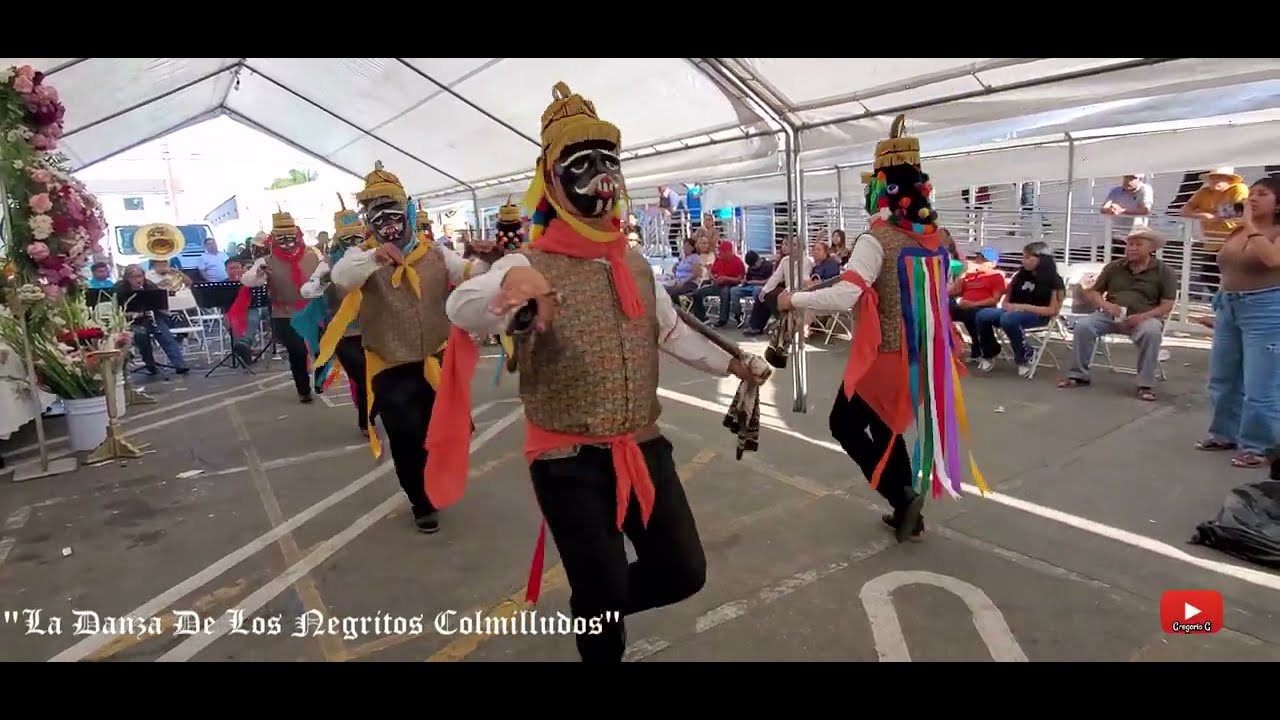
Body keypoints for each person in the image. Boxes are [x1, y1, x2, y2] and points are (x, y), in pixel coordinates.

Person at [440, 82, 767, 662]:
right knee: (604, 594)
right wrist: (512, 291)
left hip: (643, 445)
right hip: (566, 460)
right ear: (554, 180)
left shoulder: (636, 264)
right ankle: (599, 613)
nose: (601, 177)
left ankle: (594, 608)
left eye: (608, 162)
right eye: (583, 164)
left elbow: (671, 332)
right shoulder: (527, 261)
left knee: (683, 571)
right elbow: (461, 307)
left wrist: (734, 363)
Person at [779, 114, 987, 542]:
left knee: (845, 423)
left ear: (881, 188)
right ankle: (904, 502)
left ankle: (901, 495)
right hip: (925, 354)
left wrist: (793, 299)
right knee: (886, 427)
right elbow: (933, 284)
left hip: (886, 356)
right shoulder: (937, 237)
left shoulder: (876, 240)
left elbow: (846, 296)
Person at [328, 162, 482, 534]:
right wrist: (374, 257)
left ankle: (434, 482)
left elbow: (468, 273)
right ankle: (420, 500)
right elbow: (341, 278)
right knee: (407, 436)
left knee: (438, 433)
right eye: (377, 216)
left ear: (409, 213)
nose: (388, 224)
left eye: (394, 214)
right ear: (369, 221)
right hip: (390, 366)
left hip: (436, 361)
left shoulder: (436, 254)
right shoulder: (359, 257)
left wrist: (490, 263)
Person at [1197, 175, 1280, 469]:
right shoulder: (1239, 230)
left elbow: (1272, 260)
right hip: (1230, 307)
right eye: (1251, 193)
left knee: (1261, 384)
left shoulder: (1265, 230)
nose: (1252, 198)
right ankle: (1223, 433)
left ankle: (1258, 446)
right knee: (1223, 377)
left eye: (1261, 194)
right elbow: (1226, 266)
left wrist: (1249, 226)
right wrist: (1219, 307)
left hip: (1266, 309)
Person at [1058, 229, 1177, 401]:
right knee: (1084, 326)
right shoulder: (1114, 267)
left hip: (1144, 317)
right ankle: (1079, 375)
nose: (1132, 248)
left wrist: (1142, 317)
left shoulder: (1164, 271)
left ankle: (1145, 385)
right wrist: (1106, 305)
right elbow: (1094, 293)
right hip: (1111, 315)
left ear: (1151, 248)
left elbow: (1167, 304)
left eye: (1138, 245)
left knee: (1151, 332)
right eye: (1129, 244)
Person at [297, 195, 372, 436]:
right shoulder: (328, 264)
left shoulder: (374, 258)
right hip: (343, 333)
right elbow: (307, 291)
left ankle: (372, 416)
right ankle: (366, 423)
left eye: (357, 239)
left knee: (377, 379)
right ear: (338, 241)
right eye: (347, 239)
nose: (353, 244)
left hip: (376, 330)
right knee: (362, 378)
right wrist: (324, 280)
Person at [239, 211, 319, 403]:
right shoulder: (266, 261)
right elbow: (247, 280)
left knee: (321, 350)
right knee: (297, 351)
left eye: (290, 236)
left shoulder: (313, 255)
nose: (287, 241)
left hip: (312, 310)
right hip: (285, 313)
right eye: (281, 237)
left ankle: (320, 381)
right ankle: (304, 390)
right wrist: (259, 272)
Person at [973, 242, 1064, 377]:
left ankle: (1024, 356)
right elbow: (1007, 297)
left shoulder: (1054, 280)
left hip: (1038, 316)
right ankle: (989, 351)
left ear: (1042, 259)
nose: (1024, 261)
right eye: (1024, 257)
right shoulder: (1020, 276)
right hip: (1012, 313)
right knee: (983, 314)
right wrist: (1006, 305)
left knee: (1008, 319)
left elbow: (1053, 311)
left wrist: (1021, 307)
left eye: (1028, 257)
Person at [115, 263, 189, 375]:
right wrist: (132, 314)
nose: (137, 280)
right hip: (131, 320)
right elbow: (115, 311)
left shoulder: (149, 286)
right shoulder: (120, 289)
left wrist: (160, 309)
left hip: (151, 316)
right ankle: (150, 365)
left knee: (164, 335)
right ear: (127, 278)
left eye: (139, 276)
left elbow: (160, 305)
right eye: (133, 277)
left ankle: (179, 364)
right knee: (141, 336)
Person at [948, 247, 1004, 360]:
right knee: (942, 310)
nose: (978, 261)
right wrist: (962, 275)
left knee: (972, 313)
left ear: (992, 263)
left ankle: (982, 345)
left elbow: (994, 300)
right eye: (977, 258)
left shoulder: (996, 275)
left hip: (983, 308)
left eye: (982, 259)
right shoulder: (969, 275)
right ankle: (950, 346)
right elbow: (955, 292)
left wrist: (972, 304)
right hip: (965, 306)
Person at [690, 239, 745, 324]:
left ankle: (723, 319)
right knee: (697, 293)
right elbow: (712, 272)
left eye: (722, 252)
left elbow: (740, 279)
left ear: (729, 252)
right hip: (717, 284)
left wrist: (726, 278)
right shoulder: (719, 260)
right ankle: (702, 318)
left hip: (730, 285)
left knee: (725, 292)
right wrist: (713, 277)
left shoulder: (738, 262)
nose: (720, 253)